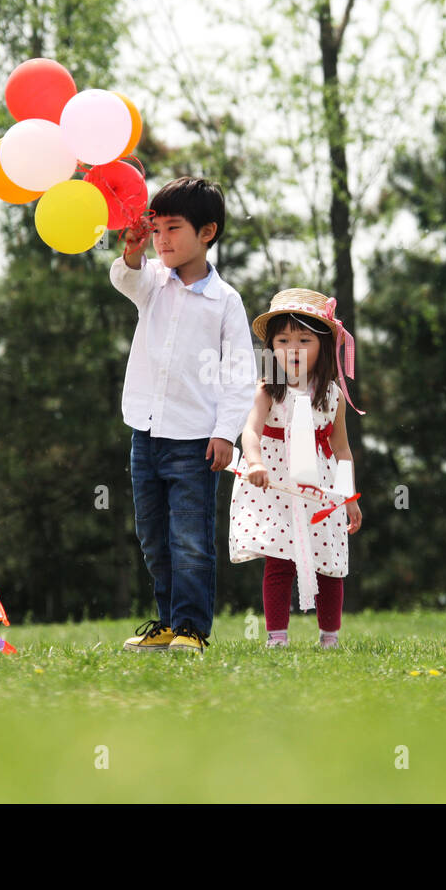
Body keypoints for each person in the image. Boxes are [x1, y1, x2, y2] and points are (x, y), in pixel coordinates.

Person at [111, 177, 257, 653]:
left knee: (190, 540)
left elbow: (239, 376)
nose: (162, 240)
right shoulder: (153, 281)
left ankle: (193, 628)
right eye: (156, 230)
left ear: (207, 232)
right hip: (145, 433)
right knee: (153, 537)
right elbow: (125, 278)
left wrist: (224, 434)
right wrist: (133, 252)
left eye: (173, 228)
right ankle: (169, 624)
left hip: (195, 440)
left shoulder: (225, 302)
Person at [229, 289, 364, 648]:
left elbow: (341, 448)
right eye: (284, 339)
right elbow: (251, 432)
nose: (293, 348)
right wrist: (254, 462)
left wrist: (348, 495)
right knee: (279, 559)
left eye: (304, 340)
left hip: (320, 487)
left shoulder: (332, 395)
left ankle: (330, 637)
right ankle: (277, 637)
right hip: (273, 486)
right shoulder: (267, 391)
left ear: (322, 346)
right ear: (271, 346)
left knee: (328, 561)